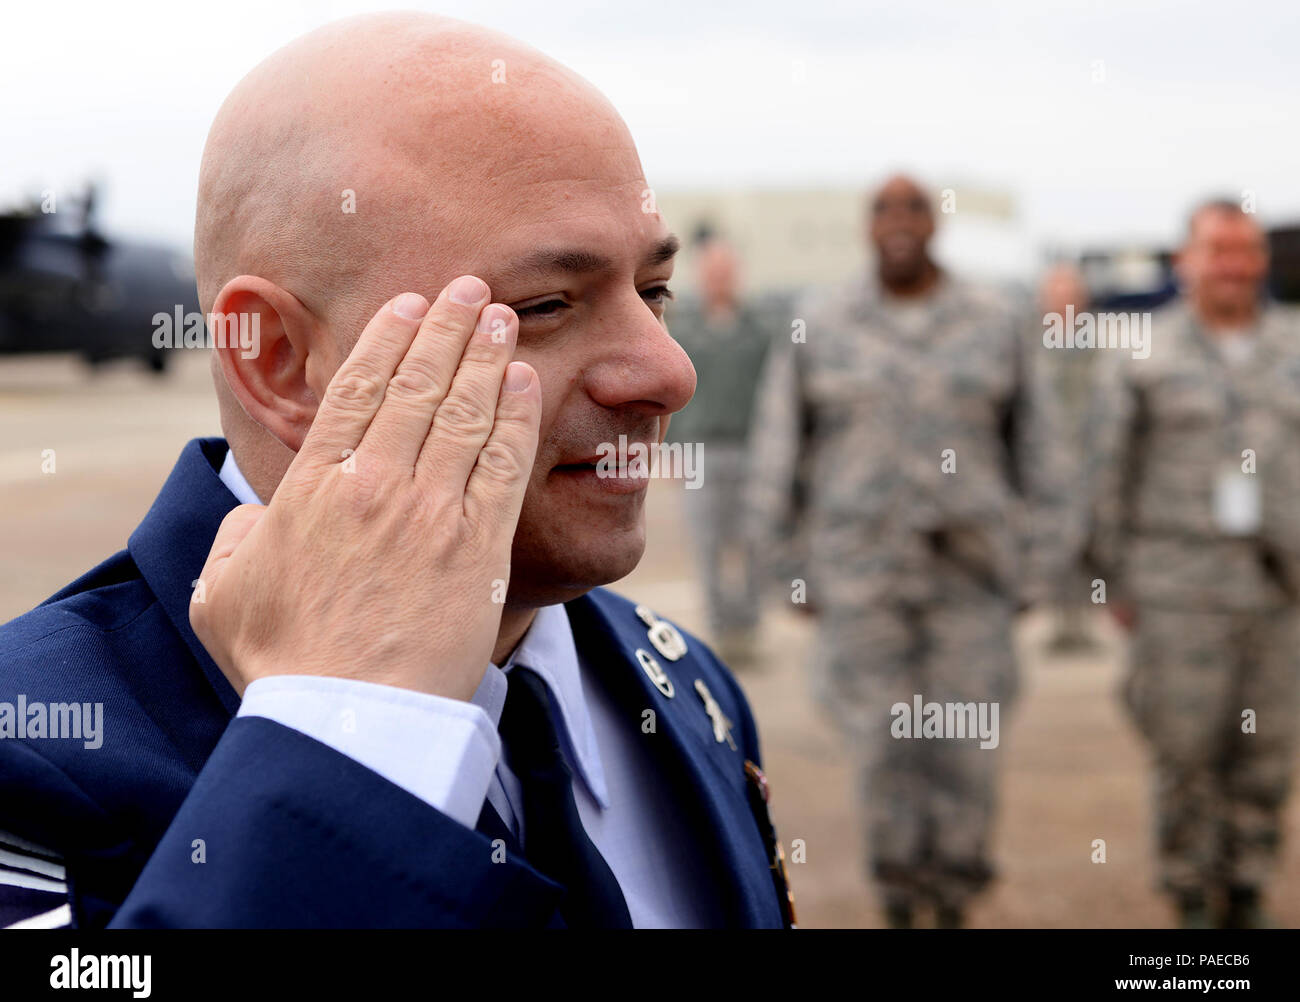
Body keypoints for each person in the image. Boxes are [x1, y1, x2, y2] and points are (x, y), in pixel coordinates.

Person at [0, 13, 793, 930]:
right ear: (282, 360)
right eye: (542, 306)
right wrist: (351, 746)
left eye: (655, 294)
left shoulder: (683, 687)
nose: (669, 372)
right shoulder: (36, 754)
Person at [748, 174, 1071, 928]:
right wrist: (787, 572)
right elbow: (778, 450)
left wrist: (1040, 565)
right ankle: (898, 896)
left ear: (935, 225)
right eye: (884, 211)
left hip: (972, 579)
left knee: (965, 750)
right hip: (861, 581)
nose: (899, 224)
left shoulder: (994, 319)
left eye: (914, 210)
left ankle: (954, 897)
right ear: (868, 228)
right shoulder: (821, 322)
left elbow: (1043, 450)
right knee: (884, 746)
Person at [1087, 199, 1300, 928]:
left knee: (1266, 754)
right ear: (1186, 262)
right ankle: (1190, 903)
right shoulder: (1144, 355)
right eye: (1217, 250)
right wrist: (1110, 576)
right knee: (1185, 752)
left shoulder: (1293, 346)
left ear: (1260, 262)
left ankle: (1246, 890)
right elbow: (1108, 470)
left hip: (1279, 589)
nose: (1233, 265)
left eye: (1244, 251)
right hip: (1179, 588)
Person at [666, 232, 777, 666]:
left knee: (753, 545)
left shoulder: (761, 330)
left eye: (726, 271)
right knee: (707, 544)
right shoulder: (683, 329)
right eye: (712, 271)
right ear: (701, 275)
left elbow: (775, 396)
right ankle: (717, 631)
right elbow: (674, 396)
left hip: (752, 451)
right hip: (700, 452)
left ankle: (747, 630)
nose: (720, 279)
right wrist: (672, 450)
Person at [1033, 263, 1101, 653]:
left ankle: (1084, 624)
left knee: (1087, 548)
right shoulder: (1030, 347)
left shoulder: (1097, 348)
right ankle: (1061, 624)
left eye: (1069, 296)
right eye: (1056, 297)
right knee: (1057, 549)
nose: (1063, 305)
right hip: (1048, 465)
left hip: (1088, 461)